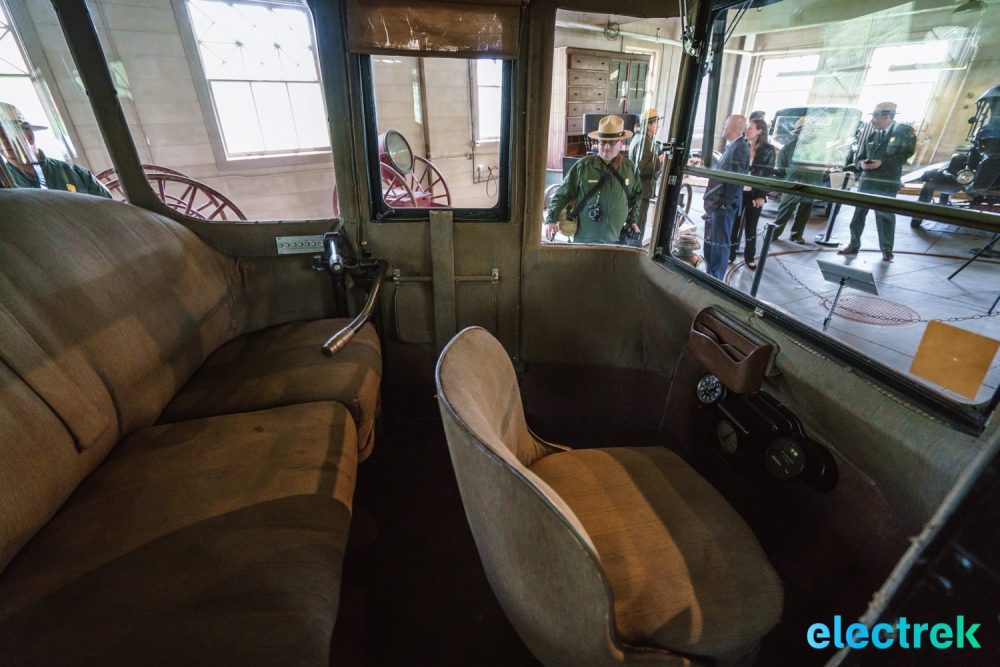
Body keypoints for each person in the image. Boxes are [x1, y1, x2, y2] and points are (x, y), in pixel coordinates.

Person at [545, 115, 642, 245]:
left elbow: (637, 194)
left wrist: (632, 220)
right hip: (585, 237)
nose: (606, 147)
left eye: (612, 142)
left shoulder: (629, 168)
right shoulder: (584, 166)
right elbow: (562, 194)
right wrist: (550, 220)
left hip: (616, 238)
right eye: (602, 142)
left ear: (621, 142)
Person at [838, 102, 916, 261]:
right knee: (858, 216)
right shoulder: (872, 135)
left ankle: (887, 249)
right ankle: (853, 245)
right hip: (867, 182)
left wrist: (883, 163)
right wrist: (860, 164)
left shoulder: (904, 132)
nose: (873, 120)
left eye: (875, 117)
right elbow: (860, 157)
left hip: (886, 183)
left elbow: (905, 155)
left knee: (885, 216)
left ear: (887, 117)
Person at [0, 102, 111, 197]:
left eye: (7, 134)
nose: (3, 142)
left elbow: (110, 211)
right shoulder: (4, 185)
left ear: (29, 136)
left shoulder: (76, 174)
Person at [702, 114, 750, 280]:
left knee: (720, 243)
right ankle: (712, 273)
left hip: (723, 207)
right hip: (718, 205)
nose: (723, 128)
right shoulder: (733, 147)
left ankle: (716, 278)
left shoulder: (740, 148)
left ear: (733, 128)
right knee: (713, 241)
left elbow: (735, 180)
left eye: (725, 125)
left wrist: (724, 205)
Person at [730, 117, 776, 269]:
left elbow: (767, 174)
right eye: (747, 128)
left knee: (750, 227)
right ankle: (730, 253)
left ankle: (750, 257)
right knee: (734, 224)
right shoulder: (742, 145)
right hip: (738, 192)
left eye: (750, 128)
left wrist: (761, 195)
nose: (747, 130)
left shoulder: (768, 150)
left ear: (759, 131)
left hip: (754, 194)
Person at [771, 116, 822, 243]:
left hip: (811, 183)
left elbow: (823, 165)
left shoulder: (818, 147)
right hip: (792, 183)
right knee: (784, 210)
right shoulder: (789, 147)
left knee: (804, 211)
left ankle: (796, 234)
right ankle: (774, 234)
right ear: (798, 132)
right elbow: (781, 166)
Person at [628, 108, 665, 242]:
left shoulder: (642, 138)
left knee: (637, 223)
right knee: (637, 225)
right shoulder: (644, 141)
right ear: (649, 125)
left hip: (642, 190)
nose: (658, 126)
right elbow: (641, 169)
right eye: (656, 123)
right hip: (641, 190)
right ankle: (634, 254)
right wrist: (659, 161)